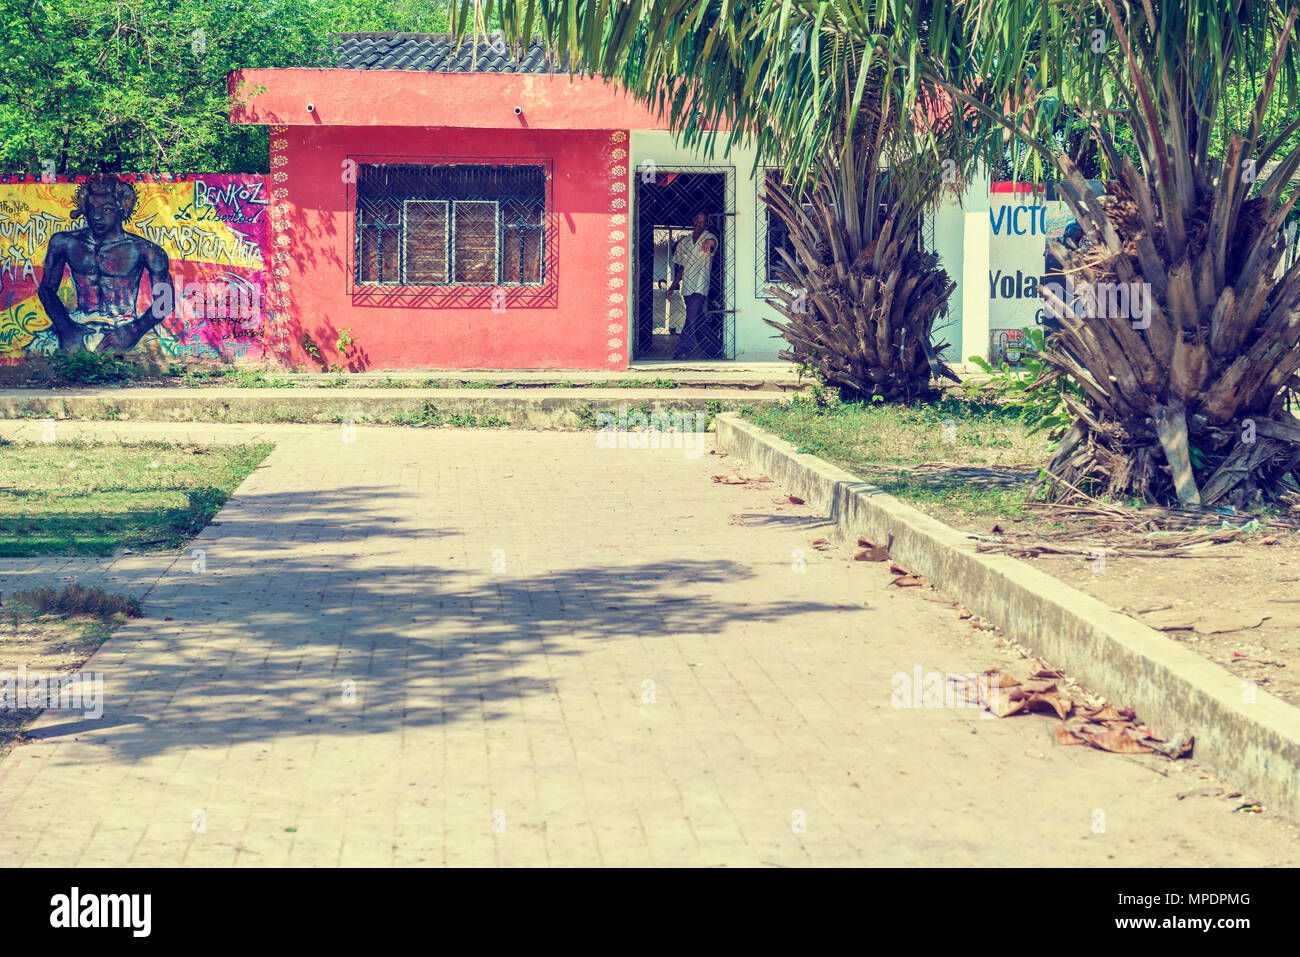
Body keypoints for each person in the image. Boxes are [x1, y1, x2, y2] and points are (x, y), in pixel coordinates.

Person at [36, 174, 174, 353]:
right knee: (40, 354)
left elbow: (165, 300)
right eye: (91, 209)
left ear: (122, 210)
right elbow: (46, 290)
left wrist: (133, 331)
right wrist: (67, 329)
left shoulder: (145, 250)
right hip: (77, 324)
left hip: (126, 325)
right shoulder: (64, 242)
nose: (97, 216)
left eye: (107, 209)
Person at [664, 212, 717, 360]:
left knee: (691, 318)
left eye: (703, 222)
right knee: (697, 319)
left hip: (700, 285)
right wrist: (672, 287)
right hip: (687, 286)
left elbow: (713, 243)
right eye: (698, 221)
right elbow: (681, 268)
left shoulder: (709, 237)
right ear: (693, 221)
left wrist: (710, 242)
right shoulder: (684, 243)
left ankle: (683, 350)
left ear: (706, 224)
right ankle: (714, 349)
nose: (700, 224)